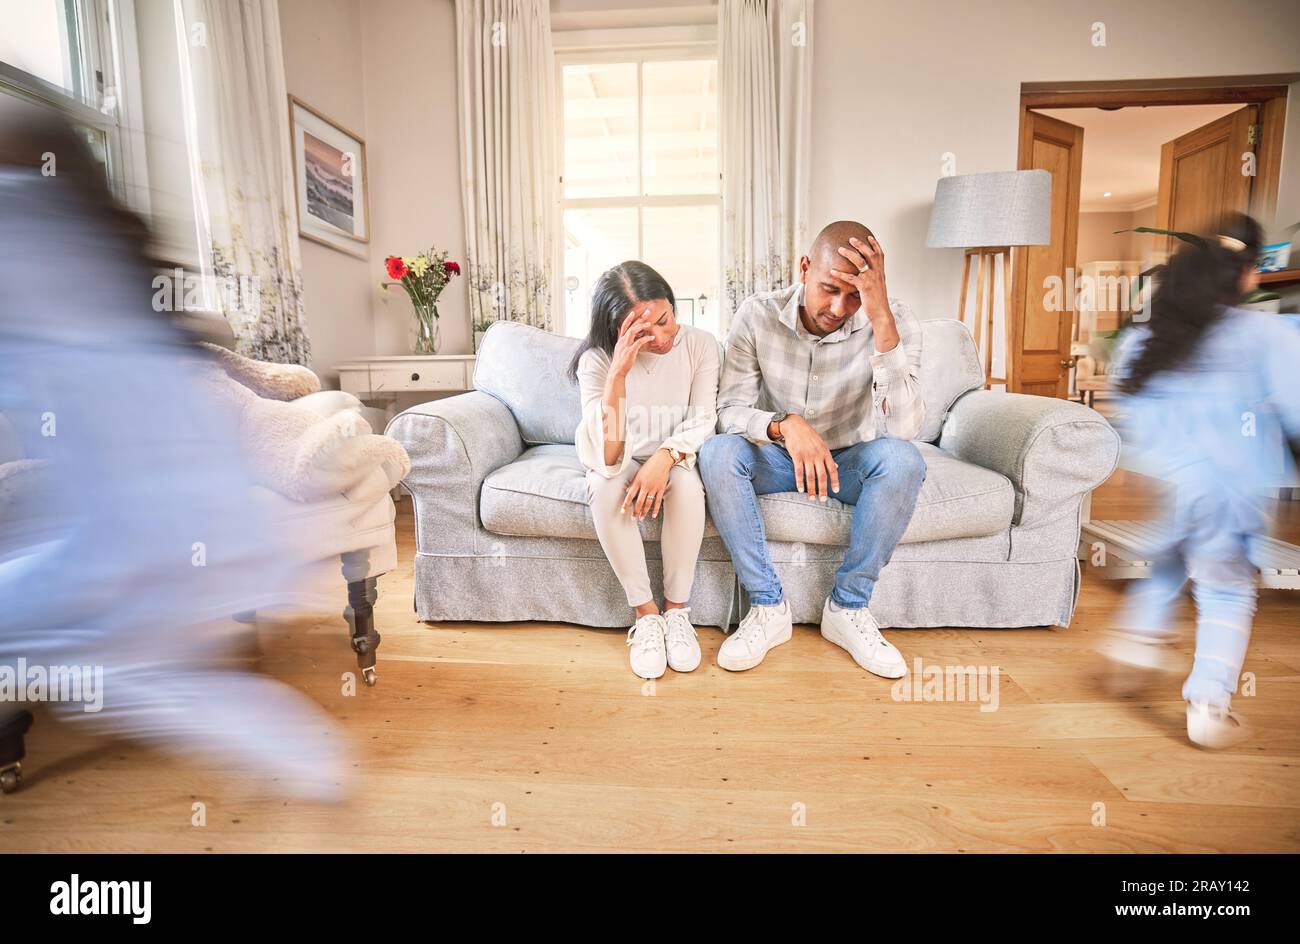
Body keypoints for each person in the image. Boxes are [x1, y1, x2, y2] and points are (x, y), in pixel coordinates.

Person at [1101, 213, 1300, 749]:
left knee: (1174, 557)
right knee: (1228, 590)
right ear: (1245, 274)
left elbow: (1128, 400)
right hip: (1232, 491)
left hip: (1176, 486)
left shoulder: (1150, 338)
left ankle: (1138, 636)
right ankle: (1209, 702)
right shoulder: (1263, 334)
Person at [699, 220, 926, 676]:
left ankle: (847, 608)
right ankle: (768, 608)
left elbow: (904, 428)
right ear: (804, 268)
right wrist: (785, 425)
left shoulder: (890, 320)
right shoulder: (757, 315)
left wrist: (881, 318)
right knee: (718, 453)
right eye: (829, 289)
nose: (840, 308)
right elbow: (727, 411)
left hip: (848, 462)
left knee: (904, 461)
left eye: (856, 295)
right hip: (777, 458)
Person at [571, 262, 720, 679]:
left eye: (664, 320)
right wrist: (617, 375)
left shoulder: (701, 345)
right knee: (604, 487)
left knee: (688, 489)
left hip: (674, 457)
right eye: (641, 331)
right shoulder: (597, 363)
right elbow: (609, 454)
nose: (659, 336)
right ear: (617, 331)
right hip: (617, 456)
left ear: (673, 306)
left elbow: (703, 419)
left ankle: (677, 612)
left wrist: (665, 457)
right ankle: (647, 616)